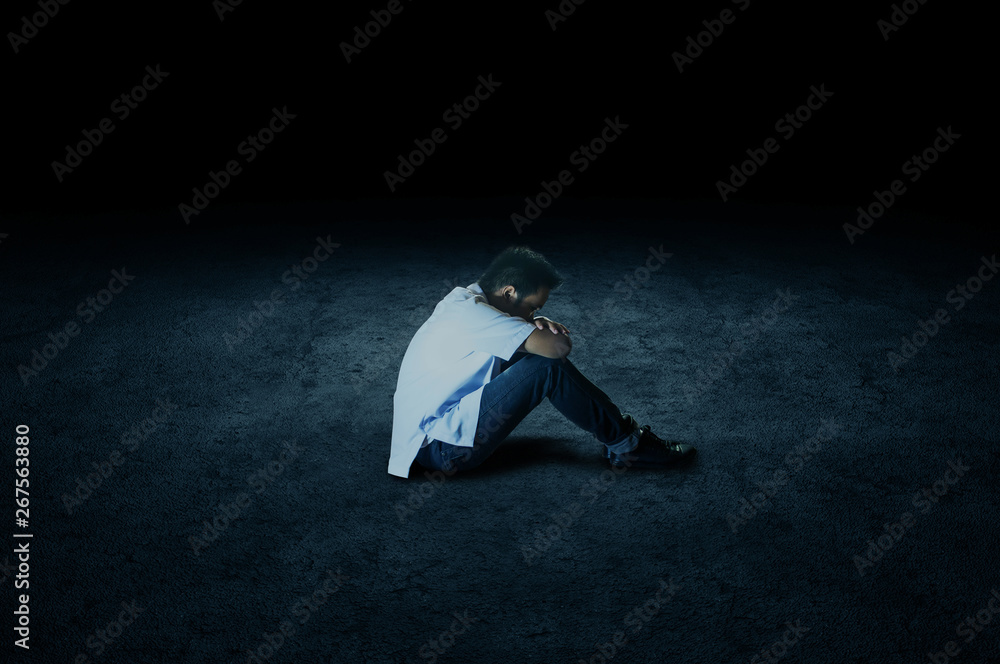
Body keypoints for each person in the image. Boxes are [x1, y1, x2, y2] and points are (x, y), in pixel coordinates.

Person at [387, 246, 695, 478]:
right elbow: (558, 348)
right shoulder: (473, 314)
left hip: (425, 443)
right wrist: (535, 329)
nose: (534, 316)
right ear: (508, 292)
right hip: (441, 451)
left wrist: (527, 324)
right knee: (547, 367)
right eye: (533, 307)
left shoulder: (465, 301)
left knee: (528, 354)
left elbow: (515, 340)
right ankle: (628, 446)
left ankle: (624, 440)